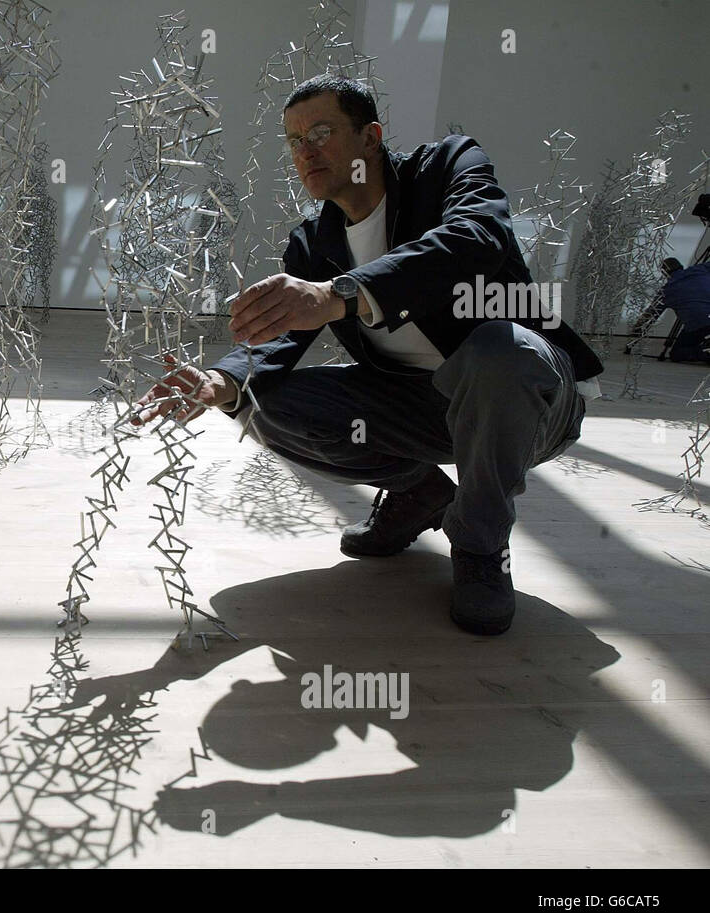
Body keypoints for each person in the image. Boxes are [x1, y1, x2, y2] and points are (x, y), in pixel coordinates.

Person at [132, 74, 604, 635]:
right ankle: (421, 492)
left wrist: (338, 295)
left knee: (497, 351)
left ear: (371, 138)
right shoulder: (313, 241)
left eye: (322, 132)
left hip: (528, 403)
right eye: (293, 141)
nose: (305, 152)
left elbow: (478, 238)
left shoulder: (449, 166)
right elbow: (284, 339)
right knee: (264, 402)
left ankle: (479, 547)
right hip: (419, 409)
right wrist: (220, 380)